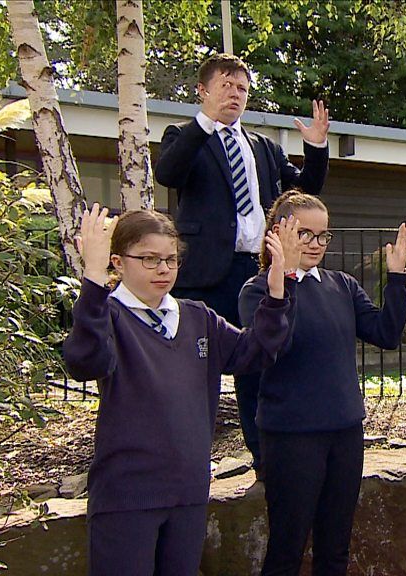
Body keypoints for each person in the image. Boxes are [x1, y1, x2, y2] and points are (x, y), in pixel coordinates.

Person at [63, 204, 296, 575]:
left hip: (188, 492)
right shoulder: (108, 315)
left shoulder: (196, 317)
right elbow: (84, 362)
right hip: (128, 497)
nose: (163, 269)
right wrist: (91, 280)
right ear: (118, 263)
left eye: (171, 259)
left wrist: (278, 293)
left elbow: (254, 352)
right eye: (149, 259)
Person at [154, 52, 330, 476]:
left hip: (253, 271)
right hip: (204, 275)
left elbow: (306, 188)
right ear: (203, 90)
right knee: (198, 371)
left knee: (257, 365)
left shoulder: (263, 147)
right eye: (226, 86)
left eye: (242, 88)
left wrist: (317, 145)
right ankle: (188, 461)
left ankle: (263, 457)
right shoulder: (183, 135)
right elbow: (169, 174)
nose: (235, 94)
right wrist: (204, 123)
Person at [238, 192, 406, 576]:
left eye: (323, 236)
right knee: (287, 547)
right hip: (291, 435)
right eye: (305, 234)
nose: (315, 244)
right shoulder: (259, 290)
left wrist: (397, 277)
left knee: (335, 548)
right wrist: (285, 277)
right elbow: (279, 344)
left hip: (345, 432)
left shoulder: (342, 285)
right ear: (278, 232)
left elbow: (386, 333)